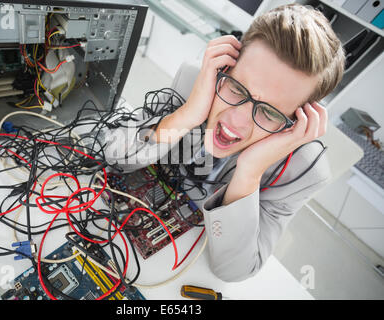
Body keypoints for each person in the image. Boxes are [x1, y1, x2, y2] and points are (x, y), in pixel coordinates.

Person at [104, 3, 345, 282]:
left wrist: (250, 171)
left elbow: (232, 270)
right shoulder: (197, 79)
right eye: (237, 87)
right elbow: (111, 152)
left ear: (297, 120)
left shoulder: (303, 170)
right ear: (227, 66)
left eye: (269, 112)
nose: (237, 122)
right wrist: (188, 114)